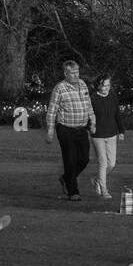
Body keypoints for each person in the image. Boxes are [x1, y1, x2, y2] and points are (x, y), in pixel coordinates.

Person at [45, 61, 95, 201]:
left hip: (82, 128)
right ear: (65, 73)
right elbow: (52, 110)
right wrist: (50, 130)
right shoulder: (59, 88)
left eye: (77, 72)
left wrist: (93, 122)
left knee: (84, 159)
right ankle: (73, 192)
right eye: (72, 73)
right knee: (70, 160)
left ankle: (66, 178)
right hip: (66, 129)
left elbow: (88, 105)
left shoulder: (83, 84)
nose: (75, 75)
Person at [88, 74, 126, 199]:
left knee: (111, 163)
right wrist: (90, 126)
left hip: (111, 134)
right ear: (99, 86)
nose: (107, 88)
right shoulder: (93, 98)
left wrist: (121, 131)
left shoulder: (112, 96)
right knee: (103, 162)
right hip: (97, 135)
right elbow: (88, 115)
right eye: (104, 85)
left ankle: (96, 179)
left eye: (108, 85)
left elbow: (118, 114)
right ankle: (104, 190)